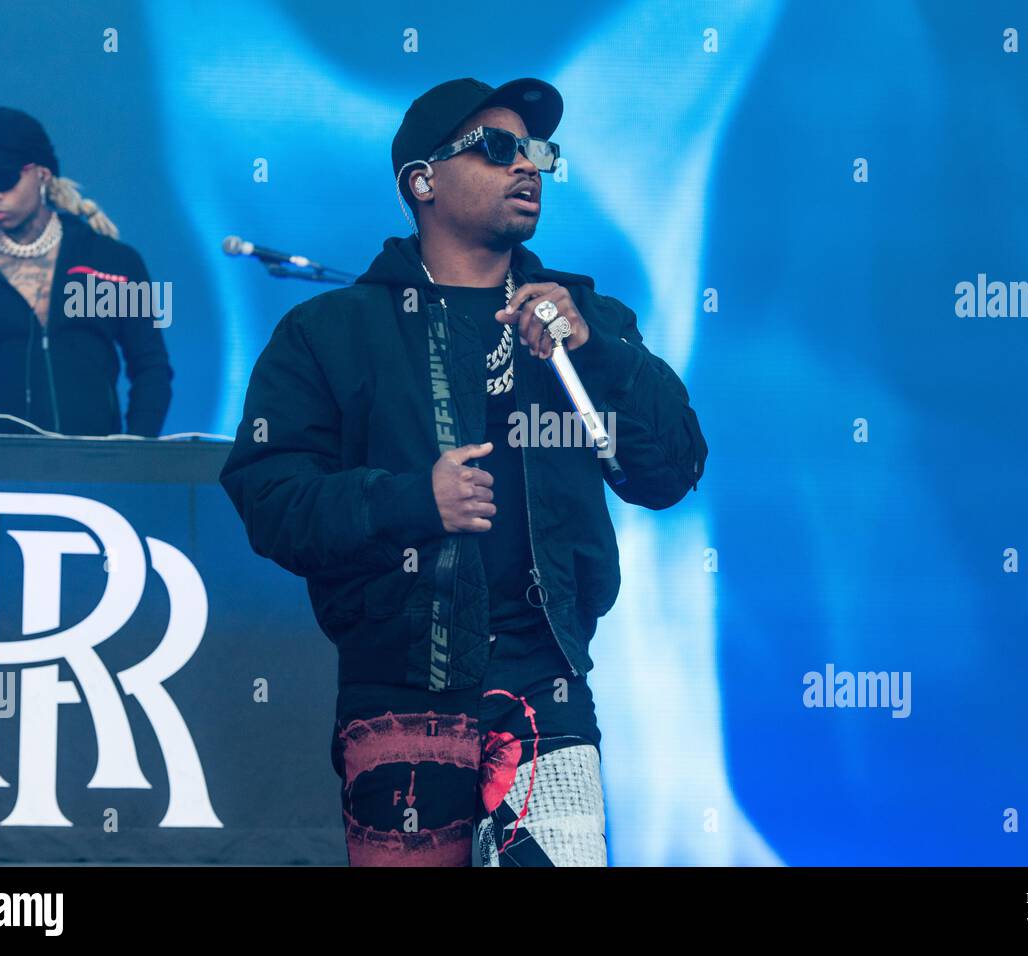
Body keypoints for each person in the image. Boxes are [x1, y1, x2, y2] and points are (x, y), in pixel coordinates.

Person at [221, 77, 708, 866]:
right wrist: (416, 501)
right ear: (422, 180)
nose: (527, 166)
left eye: (537, 151)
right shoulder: (333, 332)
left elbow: (670, 468)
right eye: (496, 148)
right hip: (400, 697)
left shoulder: (588, 321)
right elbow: (270, 498)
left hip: (547, 690)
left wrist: (595, 353)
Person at [0, 107, 172, 436]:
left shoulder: (114, 262)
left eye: (4, 177)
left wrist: (135, 450)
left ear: (42, 173)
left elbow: (151, 366)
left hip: (103, 470)